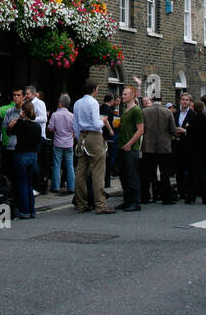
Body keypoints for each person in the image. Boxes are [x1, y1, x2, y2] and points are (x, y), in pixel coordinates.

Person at [73, 79, 114, 214]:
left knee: (80, 172)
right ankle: (100, 205)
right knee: (98, 171)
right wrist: (102, 121)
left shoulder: (77, 103)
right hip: (94, 136)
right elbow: (97, 124)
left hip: (81, 136)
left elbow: (75, 125)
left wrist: (80, 137)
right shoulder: (93, 102)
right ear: (94, 89)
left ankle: (81, 204)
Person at [8, 99, 42, 219]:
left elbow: (9, 131)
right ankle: (32, 210)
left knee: (22, 184)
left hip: (21, 155)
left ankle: (25, 211)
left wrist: (16, 121)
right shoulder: (37, 126)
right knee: (29, 184)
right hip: (33, 156)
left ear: (23, 112)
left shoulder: (22, 124)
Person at [141, 93, 176, 204]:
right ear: (162, 99)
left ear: (152, 99)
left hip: (148, 145)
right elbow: (172, 129)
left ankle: (146, 196)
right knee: (164, 172)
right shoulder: (168, 112)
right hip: (164, 146)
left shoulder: (145, 112)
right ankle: (166, 197)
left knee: (147, 172)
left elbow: (142, 128)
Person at [116, 86, 144, 211]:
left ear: (133, 96)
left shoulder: (136, 110)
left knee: (132, 176)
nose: (123, 96)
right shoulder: (125, 110)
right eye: (122, 94)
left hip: (131, 148)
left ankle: (135, 202)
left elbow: (140, 130)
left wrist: (130, 143)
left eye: (125, 94)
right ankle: (127, 200)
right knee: (123, 175)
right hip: (121, 146)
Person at [47, 93, 75, 195]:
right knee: (70, 166)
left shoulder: (55, 115)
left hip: (58, 143)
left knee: (57, 165)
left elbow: (50, 128)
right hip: (69, 143)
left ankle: (55, 187)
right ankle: (71, 187)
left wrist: (56, 130)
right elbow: (74, 130)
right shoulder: (72, 116)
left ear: (60, 103)